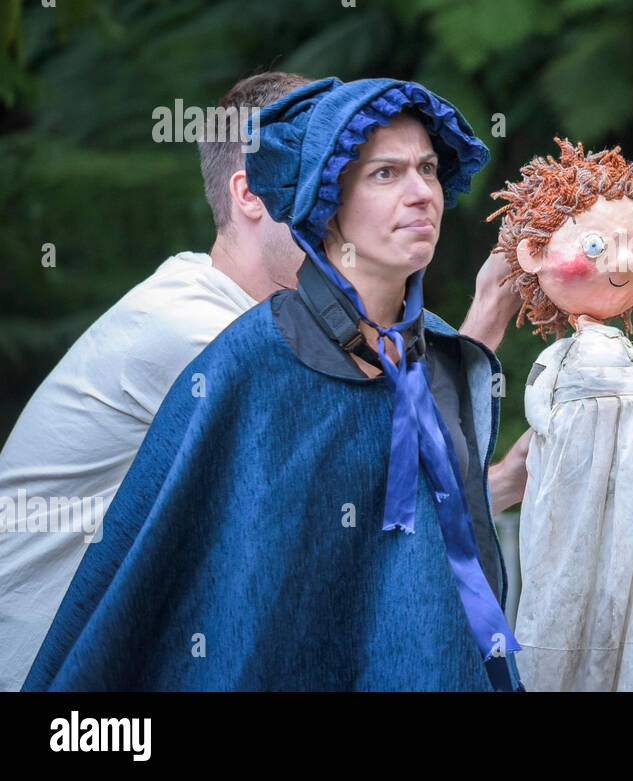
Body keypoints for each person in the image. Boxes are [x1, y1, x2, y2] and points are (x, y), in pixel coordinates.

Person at [22, 77, 526, 691]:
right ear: (277, 188)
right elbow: (332, 502)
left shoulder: (331, 330)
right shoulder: (211, 336)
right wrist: (483, 332)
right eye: (380, 172)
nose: (421, 194)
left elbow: (354, 504)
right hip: (55, 645)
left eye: (426, 169)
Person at [0, 71, 310, 692]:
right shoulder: (193, 328)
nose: (354, 204)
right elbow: (362, 472)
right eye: (330, 175)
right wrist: (482, 326)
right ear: (252, 195)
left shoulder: (229, 313)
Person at [489, 138, 633, 691]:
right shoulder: (573, 371)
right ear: (533, 254)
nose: (620, 260)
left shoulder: (621, 364)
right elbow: (571, 520)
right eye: (595, 243)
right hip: (606, 566)